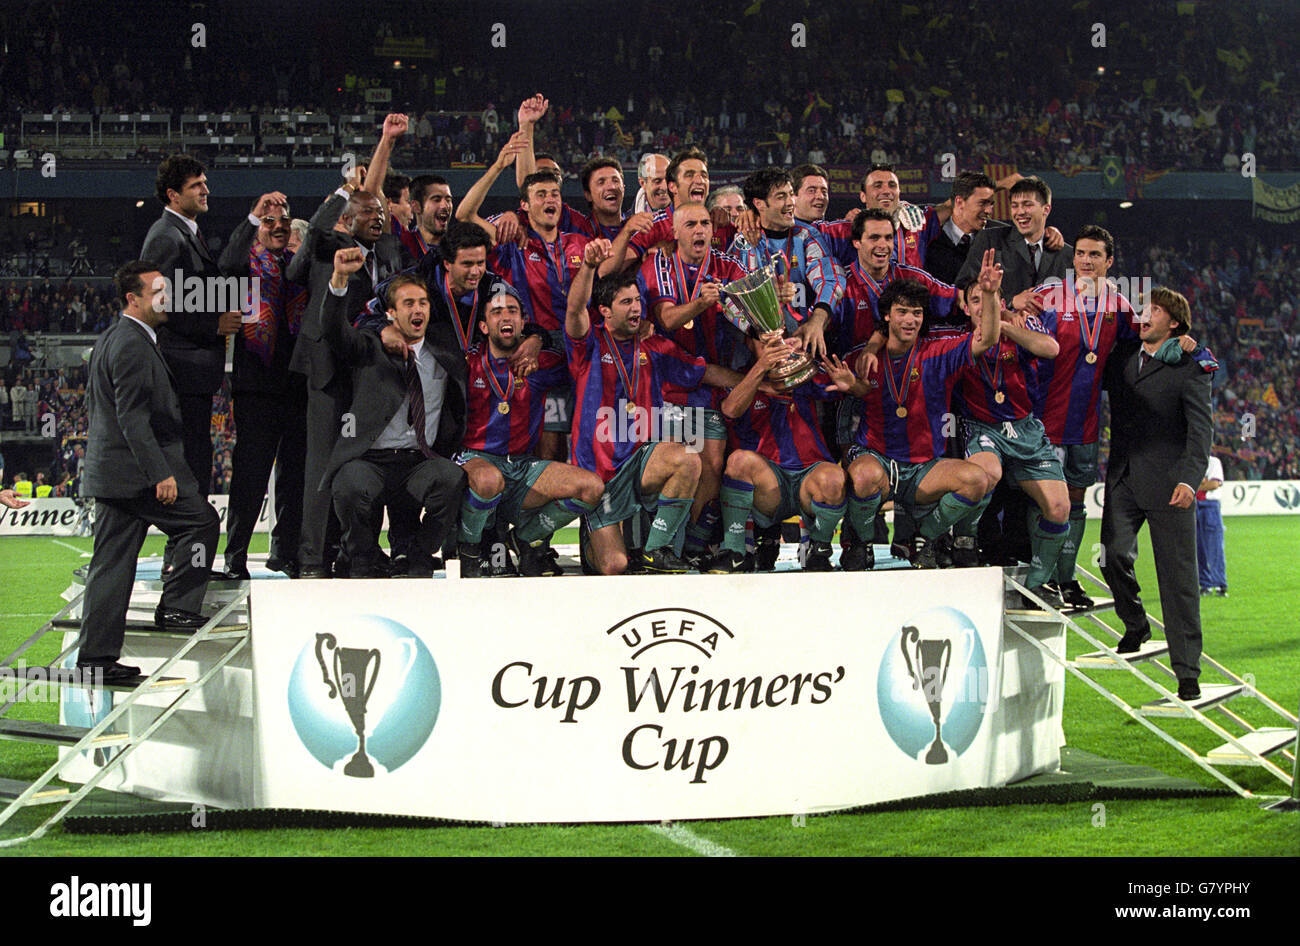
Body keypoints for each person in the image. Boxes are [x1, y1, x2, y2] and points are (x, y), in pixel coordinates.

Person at [77, 262, 221, 682]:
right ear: (133, 299)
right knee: (201, 521)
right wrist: (160, 473)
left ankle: (96, 659)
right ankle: (177, 607)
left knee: (111, 566)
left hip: (113, 474)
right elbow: (132, 418)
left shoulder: (115, 338)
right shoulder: (133, 344)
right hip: (134, 475)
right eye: (158, 291)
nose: (167, 296)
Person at [565, 242, 742, 574]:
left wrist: (758, 382)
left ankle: (656, 550)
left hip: (640, 462)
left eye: (638, 301)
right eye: (626, 302)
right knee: (614, 565)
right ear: (605, 311)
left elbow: (706, 372)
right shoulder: (588, 346)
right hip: (600, 475)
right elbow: (575, 312)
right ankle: (594, 540)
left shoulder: (654, 346)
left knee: (688, 459)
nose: (636, 309)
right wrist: (588, 268)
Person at [839, 261, 1002, 569]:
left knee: (977, 480)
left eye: (917, 313)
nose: (910, 320)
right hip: (880, 462)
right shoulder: (862, 358)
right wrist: (848, 385)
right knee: (862, 475)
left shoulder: (938, 351)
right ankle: (861, 543)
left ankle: (923, 539)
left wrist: (991, 295)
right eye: (902, 312)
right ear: (886, 315)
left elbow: (987, 339)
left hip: (925, 469)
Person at [320, 249, 467, 578]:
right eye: (408, 304)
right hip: (371, 461)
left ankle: (418, 552)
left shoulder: (445, 348)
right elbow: (333, 330)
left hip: (418, 462)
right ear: (390, 313)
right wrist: (339, 280)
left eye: (423, 303)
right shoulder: (370, 345)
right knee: (349, 484)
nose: (418, 310)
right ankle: (361, 556)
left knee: (451, 478)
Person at [1100, 287, 1213, 702]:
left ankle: (1187, 671)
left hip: (1169, 485)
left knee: (1178, 579)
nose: (1146, 315)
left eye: (1156, 311)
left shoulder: (1191, 365)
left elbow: (1201, 430)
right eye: (1145, 308)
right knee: (1112, 556)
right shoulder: (1125, 359)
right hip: (1123, 478)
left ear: (1175, 323)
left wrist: (1189, 478)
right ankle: (1135, 623)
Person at [456, 283, 604, 576]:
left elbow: (578, 349)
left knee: (591, 488)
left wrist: (538, 340)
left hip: (521, 467)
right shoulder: (467, 361)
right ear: (484, 326)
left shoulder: (540, 363)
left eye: (512, 311)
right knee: (487, 480)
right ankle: (469, 551)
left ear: (523, 322)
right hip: (475, 461)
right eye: (497, 312)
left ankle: (525, 537)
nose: (506, 317)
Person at [950, 277, 1070, 605]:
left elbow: (1051, 348)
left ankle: (1038, 584)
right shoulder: (957, 337)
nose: (981, 306)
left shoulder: (1022, 324)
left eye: (988, 300)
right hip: (982, 426)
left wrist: (1004, 326)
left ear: (1001, 303)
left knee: (1059, 508)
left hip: (1025, 428)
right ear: (965, 306)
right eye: (975, 300)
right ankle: (965, 537)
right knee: (986, 474)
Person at [140, 154, 242, 498]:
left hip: (193, 372)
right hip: (181, 370)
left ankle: (188, 542)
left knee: (197, 460)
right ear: (173, 195)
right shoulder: (167, 236)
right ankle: (186, 543)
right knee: (190, 464)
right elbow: (156, 303)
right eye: (196, 186)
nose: (205, 190)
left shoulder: (185, 232)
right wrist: (212, 325)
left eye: (205, 183)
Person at [216, 190, 306, 579]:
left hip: (298, 383)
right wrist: (254, 216)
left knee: (295, 475)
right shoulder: (245, 267)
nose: (277, 228)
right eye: (268, 223)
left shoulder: (298, 266)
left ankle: (285, 552)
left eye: (283, 222)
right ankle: (235, 555)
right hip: (256, 386)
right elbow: (228, 260)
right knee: (251, 475)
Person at [712, 337, 847, 573]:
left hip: (809, 477)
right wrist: (761, 367)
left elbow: (841, 388)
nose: (774, 348)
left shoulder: (803, 371)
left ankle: (819, 548)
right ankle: (735, 552)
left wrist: (853, 385)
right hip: (769, 484)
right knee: (738, 461)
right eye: (764, 342)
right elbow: (730, 409)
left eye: (778, 340)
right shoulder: (740, 377)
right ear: (749, 344)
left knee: (835, 477)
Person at [1196, 454, 1227, 596]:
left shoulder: (1213, 461)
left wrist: (1196, 483)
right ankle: (1205, 584)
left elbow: (1214, 484)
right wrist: (1202, 483)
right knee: (1197, 548)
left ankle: (1220, 584)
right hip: (1194, 505)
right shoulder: (1191, 460)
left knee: (1214, 547)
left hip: (1209, 506)